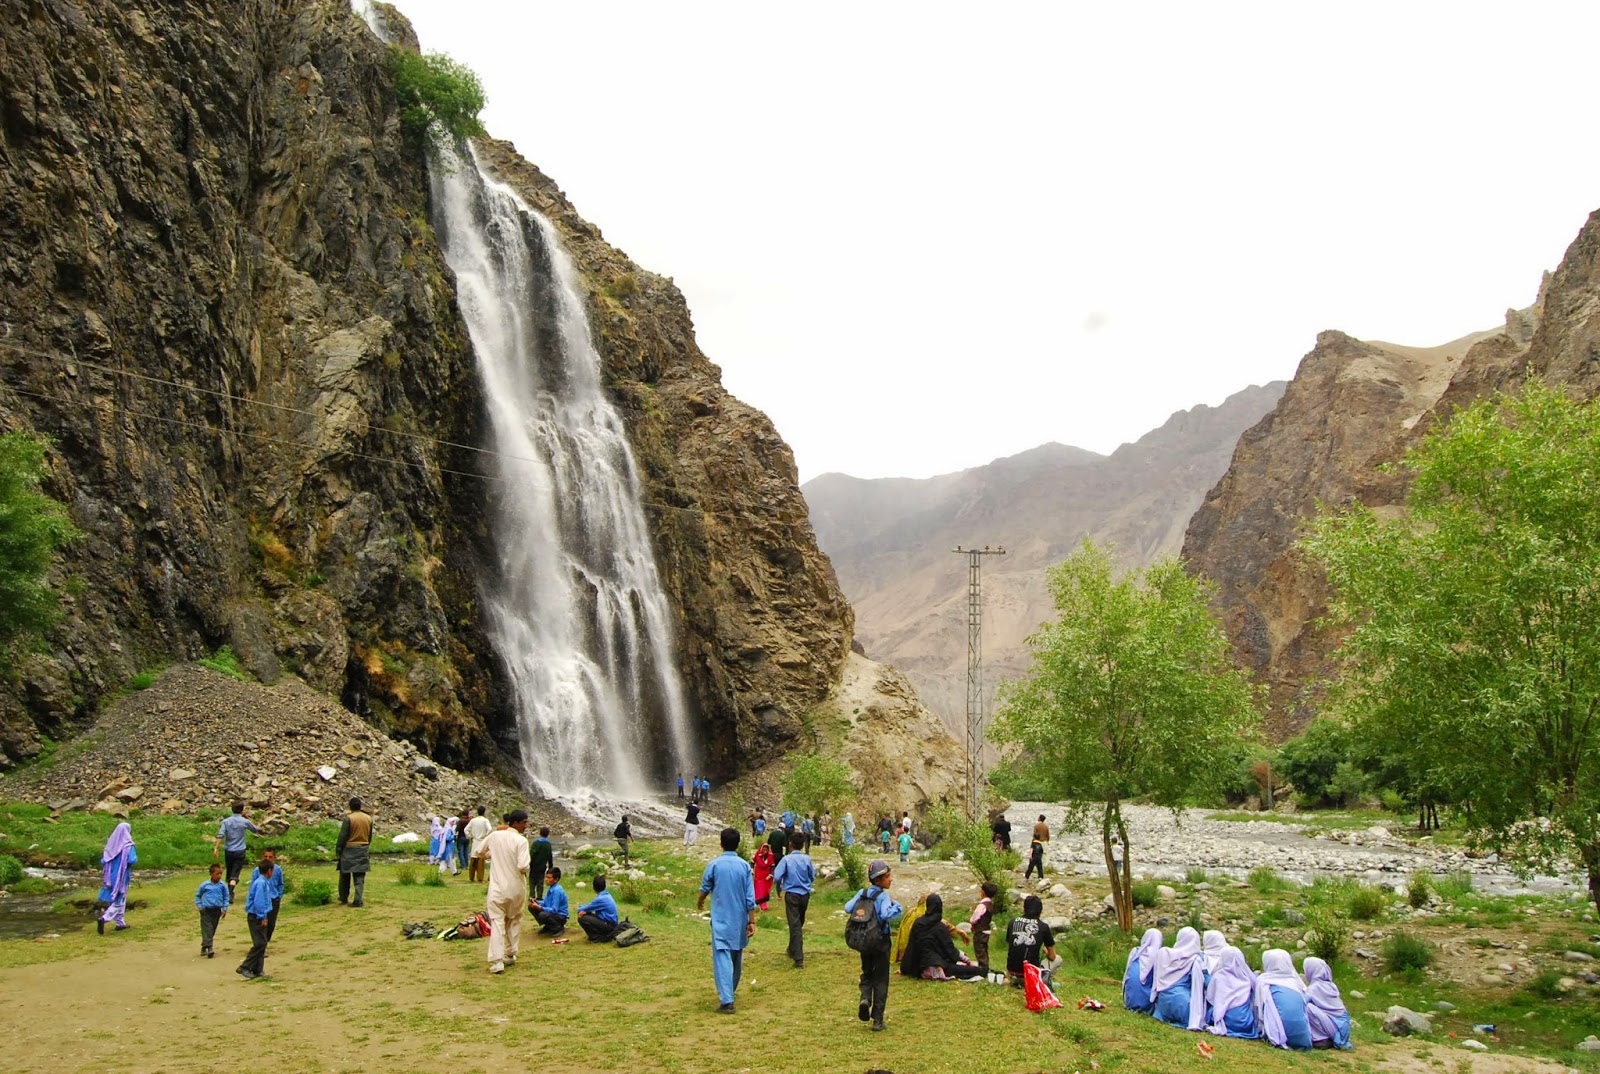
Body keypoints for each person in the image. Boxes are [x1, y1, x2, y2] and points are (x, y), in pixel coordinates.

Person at [697, 828, 757, 1013]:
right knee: (736, 954)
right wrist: (752, 921)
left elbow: (705, 887)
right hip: (739, 919)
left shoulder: (714, 865)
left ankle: (727, 1000)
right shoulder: (744, 866)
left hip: (721, 919)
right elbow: (749, 897)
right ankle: (730, 990)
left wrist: (700, 901)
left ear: (721, 843)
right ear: (738, 844)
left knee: (722, 955)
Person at [845, 860, 904, 1031]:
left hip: (864, 941)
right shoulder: (883, 896)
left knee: (867, 972)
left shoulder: (862, 893)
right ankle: (878, 1020)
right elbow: (886, 914)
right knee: (881, 979)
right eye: (887, 877)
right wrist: (897, 907)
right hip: (880, 942)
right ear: (878, 880)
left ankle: (865, 998)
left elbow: (848, 908)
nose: (890, 880)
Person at [482, 809, 531, 973]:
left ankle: (497, 961)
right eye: (524, 822)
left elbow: (478, 852)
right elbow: (523, 865)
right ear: (516, 823)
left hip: (497, 888)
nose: (526, 825)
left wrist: (492, 855)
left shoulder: (495, 836)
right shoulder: (521, 841)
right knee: (514, 920)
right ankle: (510, 954)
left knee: (497, 922)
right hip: (516, 888)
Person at [899, 892, 984, 980]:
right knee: (973, 970)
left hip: (918, 968)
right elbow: (950, 950)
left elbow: (911, 947)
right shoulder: (940, 927)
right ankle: (983, 971)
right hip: (936, 964)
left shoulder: (918, 923)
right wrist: (966, 960)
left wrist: (905, 967)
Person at [770, 829, 815, 968]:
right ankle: (792, 949)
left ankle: (799, 958)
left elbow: (777, 876)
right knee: (798, 923)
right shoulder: (806, 859)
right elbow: (812, 876)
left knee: (794, 925)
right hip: (805, 895)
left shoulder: (787, 859)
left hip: (791, 894)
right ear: (802, 845)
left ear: (790, 844)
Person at [1254, 948, 1314, 1050]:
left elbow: (1257, 1008)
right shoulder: (1296, 982)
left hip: (1277, 1032)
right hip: (1303, 1037)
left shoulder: (1263, 981)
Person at [1152, 926, 1206, 1030]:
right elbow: (1204, 983)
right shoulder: (1195, 959)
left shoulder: (1164, 953)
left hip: (1161, 1005)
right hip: (1183, 1005)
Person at [1205, 946, 1261, 1038]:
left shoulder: (1219, 976)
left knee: (1210, 1009)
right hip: (1246, 1023)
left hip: (1227, 1022)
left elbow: (1210, 997)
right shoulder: (1247, 977)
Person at [1005, 894, 1058, 988]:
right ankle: (1043, 979)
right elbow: (1052, 956)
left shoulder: (1012, 922)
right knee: (1058, 959)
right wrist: (1046, 951)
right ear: (1040, 910)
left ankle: (1012, 979)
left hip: (1012, 973)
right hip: (1030, 976)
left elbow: (1012, 945)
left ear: (1024, 908)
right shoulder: (1043, 927)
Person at [236, 855, 275, 980]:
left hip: (260, 915)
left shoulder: (263, 882)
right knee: (260, 943)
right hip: (256, 916)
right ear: (269, 871)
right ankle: (245, 966)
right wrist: (263, 916)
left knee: (262, 943)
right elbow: (259, 902)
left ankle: (258, 969)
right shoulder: (260, 883)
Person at [1301, 956, 1353, 1050]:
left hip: (1336, 1028)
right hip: (1343, 1028)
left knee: (1307, 1008)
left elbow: (1301, 1002)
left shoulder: (1315, 987)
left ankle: (1320, 1038)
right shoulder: (1330, 985)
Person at [213, 802, 262, 899]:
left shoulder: (226, 822)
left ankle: (229, 892)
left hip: (229, 850)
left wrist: (216, 848)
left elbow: (220, 835)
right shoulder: (244, 822)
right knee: (235, 873)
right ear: (242, 810)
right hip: (240, 850)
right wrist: (247, 818)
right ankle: (230, 893)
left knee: (230, 871)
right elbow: (255, 829)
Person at [97, 820, 136, 933]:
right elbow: (132, 860)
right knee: (120, 898)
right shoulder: (128, 845)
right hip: (122, 875)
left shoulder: (111, 845)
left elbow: (103, 860)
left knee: (118, 897)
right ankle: (104, 918)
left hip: (110, 875)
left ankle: (120, 922)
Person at [335, 797, 373, 907]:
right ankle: (358, 899)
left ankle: (343, 897)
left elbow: (343, 836)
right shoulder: (368, 818)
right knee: (359, 877)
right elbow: (369, 836)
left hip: (349, 849)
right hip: (363, 849)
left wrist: (338, 850)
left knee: (344, 875)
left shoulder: (349, 819)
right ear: (360, 806)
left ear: (350, 807)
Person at [1123, 927, 1164, 1012]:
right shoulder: (1159, 955)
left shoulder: (1135, 951)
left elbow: (1127, 973)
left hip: (1129, 1001)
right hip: (1147, 1003)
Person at [195, 862, 229, 958]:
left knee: (212, 929)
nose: (219, 876)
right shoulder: (205, 885)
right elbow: (198, 896)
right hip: (206, 910)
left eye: (220, 873)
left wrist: (224, 908)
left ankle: (204, 947)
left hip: (217, 910)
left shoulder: (222, 885)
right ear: (211, 874)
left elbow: (226, 897)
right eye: (217, 873)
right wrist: (200, 905)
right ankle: (210, 948)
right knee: (208, 929)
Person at [252, 849, 286, 941]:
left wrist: (279, 895)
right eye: (266, 857)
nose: (268, 859)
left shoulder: (277, 869)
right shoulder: (257, 871)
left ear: (275, 858)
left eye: (270, 857)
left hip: (274, 899)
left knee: (271, 923)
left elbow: (280, 884)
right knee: (262, 922)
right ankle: (262, 944)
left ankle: (265, 941)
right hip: (262, 900)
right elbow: (253, 886)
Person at [576, 874, 621, 942]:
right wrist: (586, 910)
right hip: (610, 923)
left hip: (609, 926)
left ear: (594, 887)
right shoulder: (606, 894)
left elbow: (585, 908)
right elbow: (590, 907)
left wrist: (580, 908)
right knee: (585, 913)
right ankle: (600, 935)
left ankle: (597, 938)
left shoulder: (601, 899)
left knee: (582, 917)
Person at [968, 881, 998, 971]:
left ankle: (983, 968)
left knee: (979, 949)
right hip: (987, 930)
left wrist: (972, 922)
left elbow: (975, 918)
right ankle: (985, 965)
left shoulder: (982, 906)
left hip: (980, 931)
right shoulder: (990, 905)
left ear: (983, 892)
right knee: (984, 949)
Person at [530, 867, 569, 934]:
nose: (546, 879)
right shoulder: (551, 888)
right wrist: (537, 902)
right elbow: (545, 902)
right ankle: (549, 926)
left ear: (556, 879)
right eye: (546, 877)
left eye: (549, 878)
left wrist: (540, 907)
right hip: (554, 914)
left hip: (560, 916)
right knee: (531, 907)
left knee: (543, 914)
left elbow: (554, 910)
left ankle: (558, 927)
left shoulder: (557, 891)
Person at [465, 806, 493, 883]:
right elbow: (490, 829)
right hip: (482, 841)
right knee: (480, 859)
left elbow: (466, 829)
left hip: (475, 840)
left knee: (473, 859)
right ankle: (480, 877)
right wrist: (486, 836)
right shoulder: (485, 820)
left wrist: (470, 836)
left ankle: (471, 876)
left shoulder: (473, 820)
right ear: (484, 812)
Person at [529, 826, 554, 901]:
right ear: (548, 834)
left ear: (540, 833)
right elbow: (550, 856)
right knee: (540, 882)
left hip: (533, 866)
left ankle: (532, 896)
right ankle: (539, 897)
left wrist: (529, 864)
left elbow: (531, 854)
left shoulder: (535, 843)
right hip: (542, 867)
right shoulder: (548, 844)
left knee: (532, 882)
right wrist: (550, 868)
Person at [752, 841, 776, 911]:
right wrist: (752, 870)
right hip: (758, 875)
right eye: (764, 850)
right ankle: (758, 903)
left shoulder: (771, 856)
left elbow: (772, 866)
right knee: (759, 889)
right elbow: (752, 862)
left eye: (766, 850)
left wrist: (771, 874)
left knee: (765, 890)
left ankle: (763, 904)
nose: (765, 851)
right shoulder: (757, 855)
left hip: (766, 875)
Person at [1025, 814, 1049, 880]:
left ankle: (1027, 875)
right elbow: (1048, 835)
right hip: (1043, 842)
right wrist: (1047, 841)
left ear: (1039, 818)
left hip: (1036, 841)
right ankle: (1041, 875)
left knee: (1031, 864)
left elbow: (1034, 834)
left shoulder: (1036, 826)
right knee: (1042, 858)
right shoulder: (1046, 826)